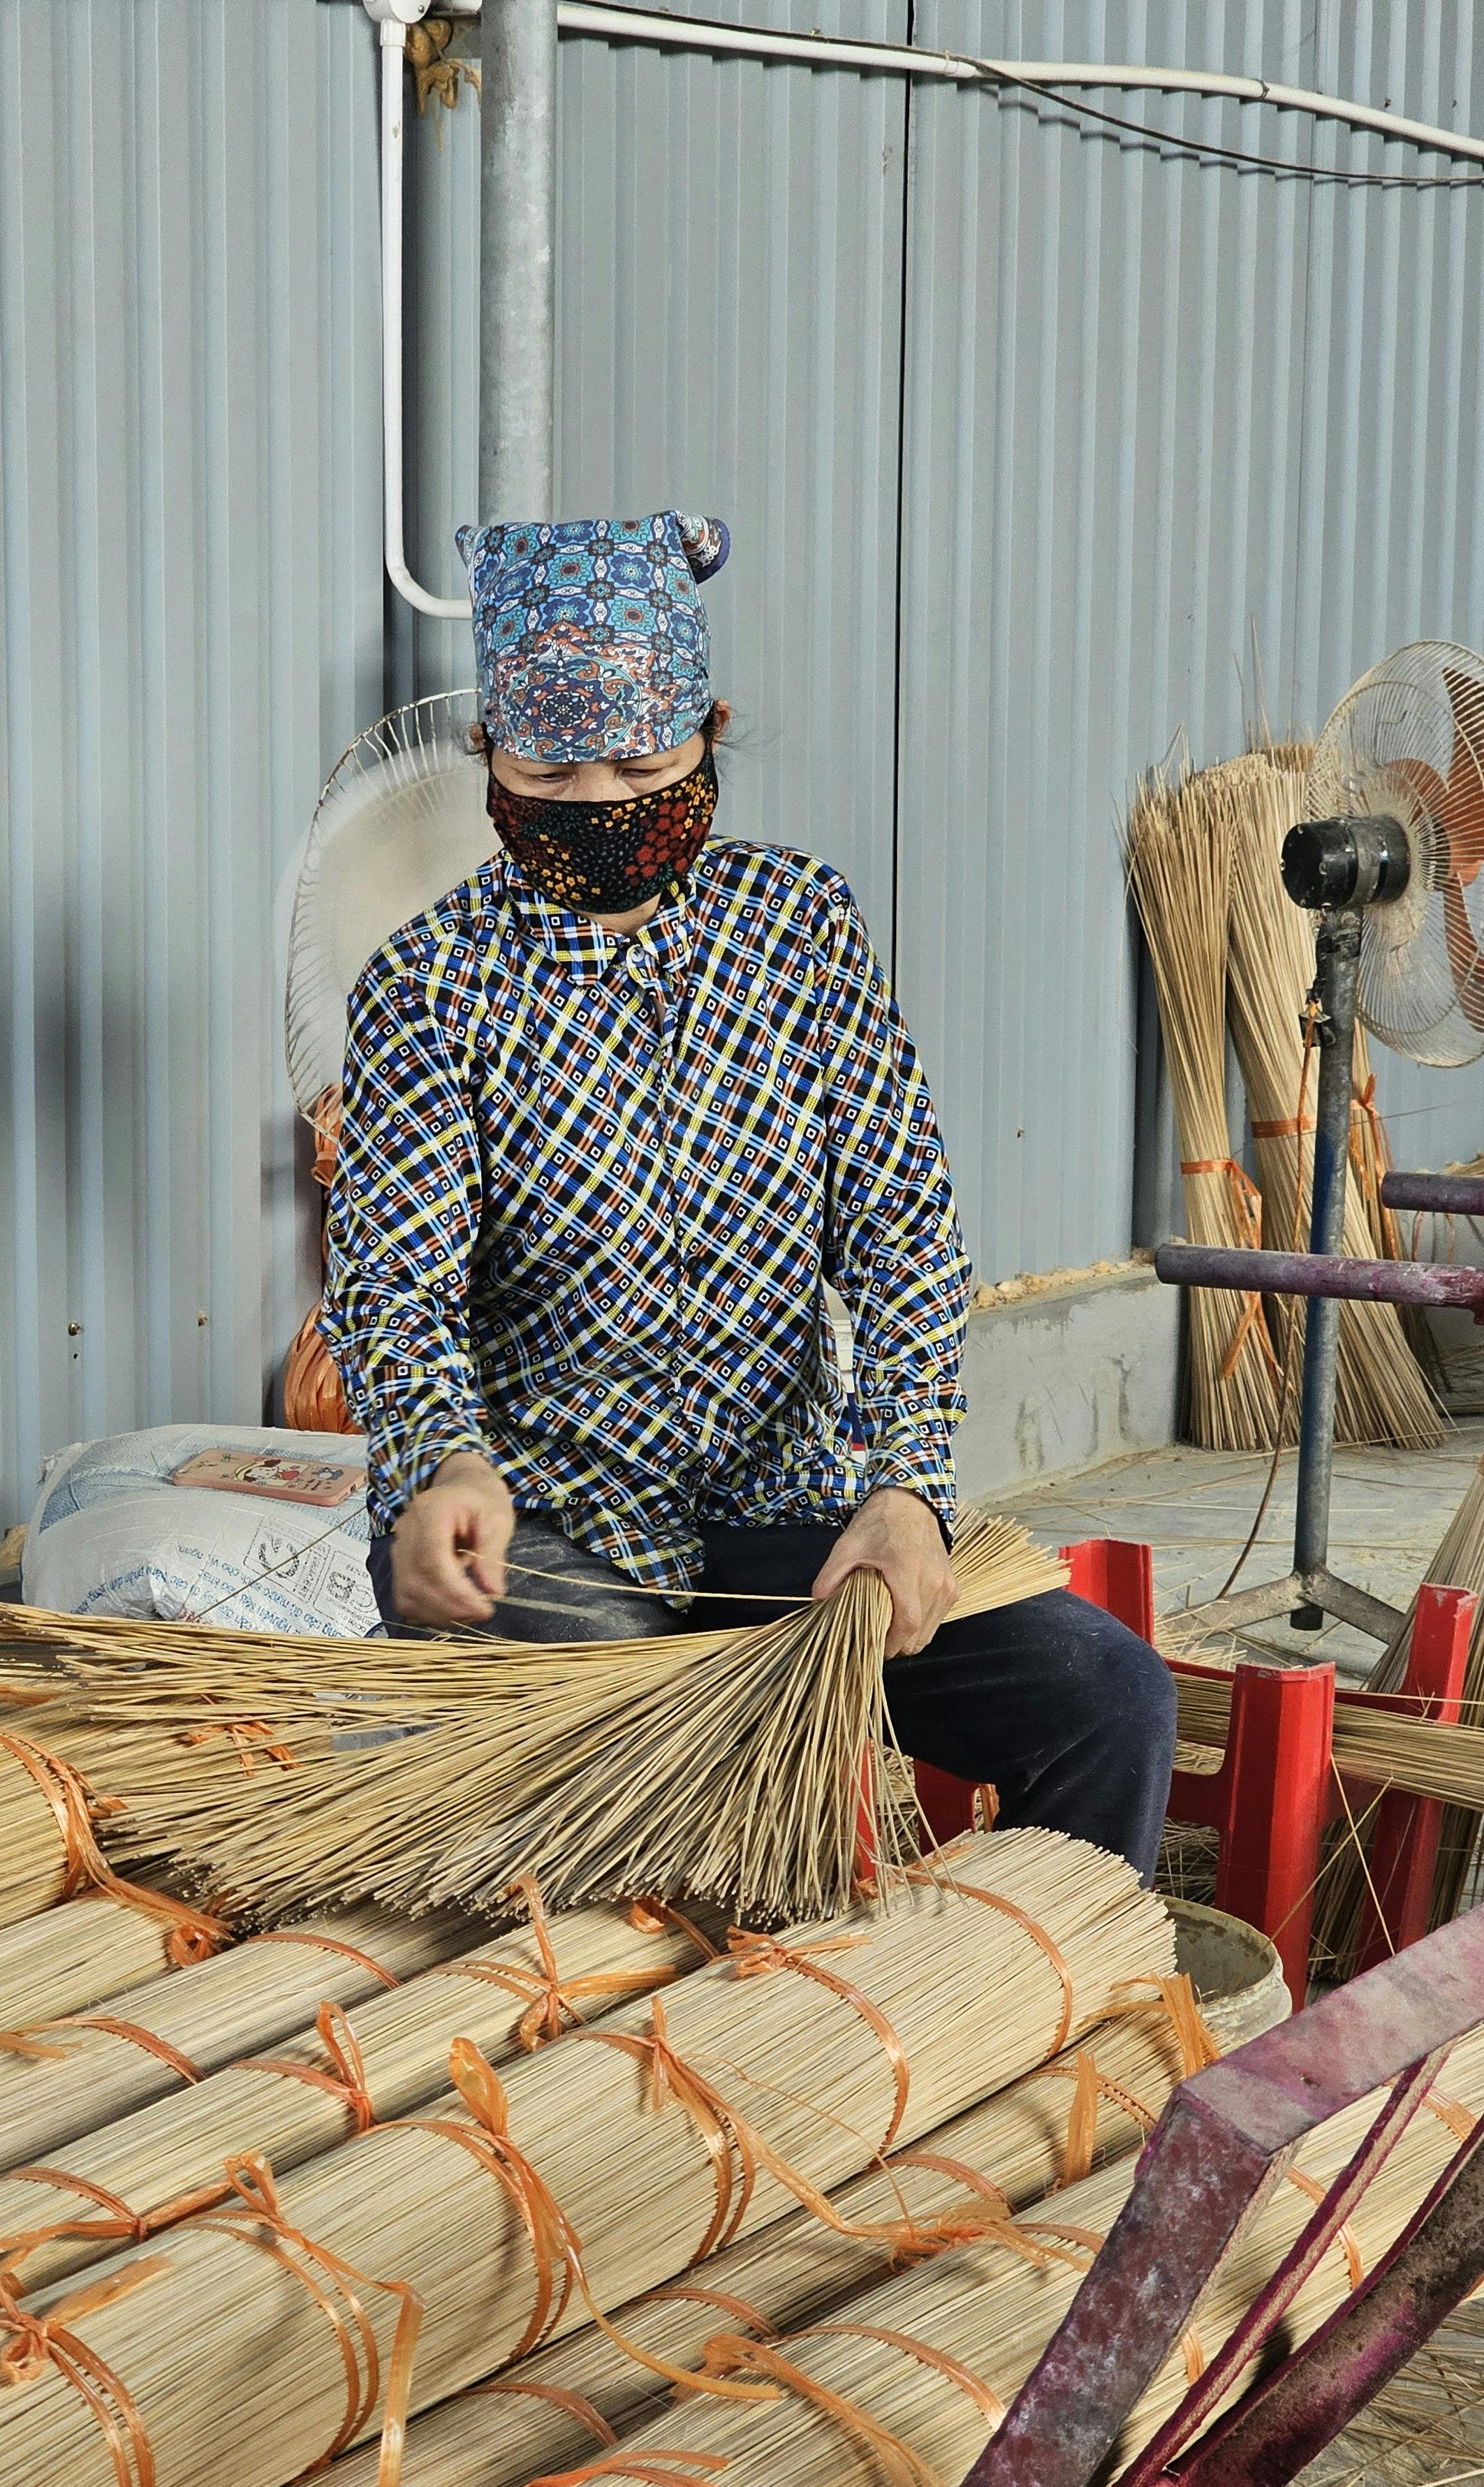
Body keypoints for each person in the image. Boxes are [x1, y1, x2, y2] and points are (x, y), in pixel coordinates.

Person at [319, 511, 1176, 1881]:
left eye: (643, 761)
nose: (600, 800)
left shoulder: (801, 931)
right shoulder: (428, 986)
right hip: (541, 1529)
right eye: (551, 764)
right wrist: (440, 1466)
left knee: (1109, 1699)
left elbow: (903, 1229)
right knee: (653, 1751)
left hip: (785, 1514)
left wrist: (909, 1487)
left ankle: (1041, 2031)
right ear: (487, 750)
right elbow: (394, 1294)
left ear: (711, 730)